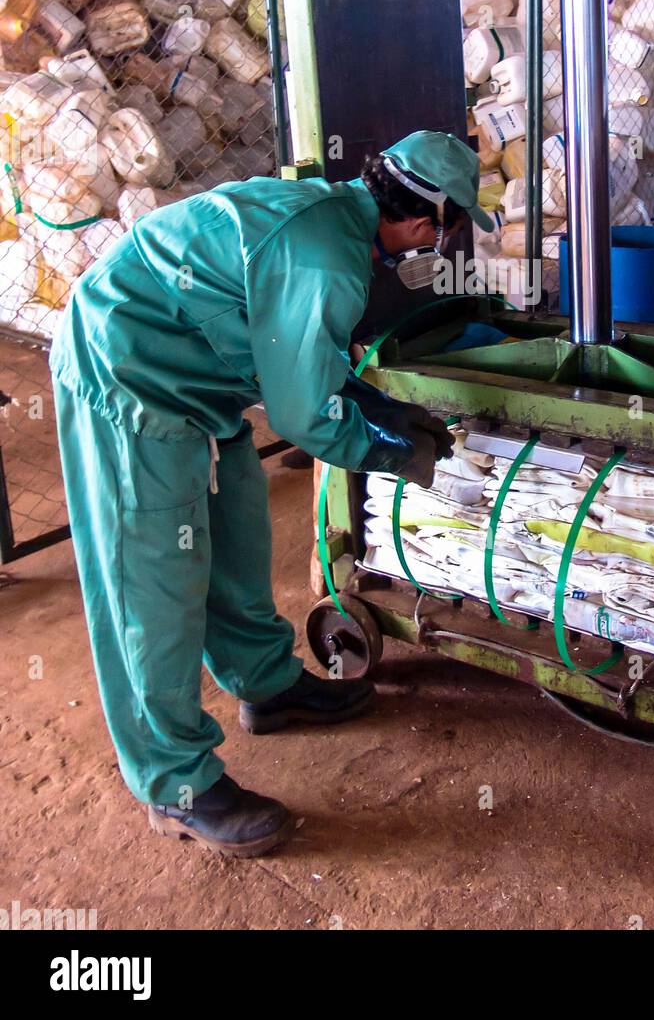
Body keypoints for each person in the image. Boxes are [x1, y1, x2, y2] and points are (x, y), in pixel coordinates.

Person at [50, 130, 494, 858]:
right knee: (154, 586)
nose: (438, 245)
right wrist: (388, 450)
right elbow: (301, 418)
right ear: (423, 223)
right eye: (447, 231)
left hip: (202, 379)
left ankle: (266, 683)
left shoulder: (334, 220)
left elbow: (296, 354)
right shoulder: (330, 259)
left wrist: (376, 405)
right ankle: (174, 783)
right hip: (129, 376)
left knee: (236, 538)